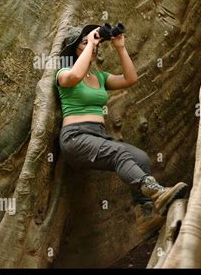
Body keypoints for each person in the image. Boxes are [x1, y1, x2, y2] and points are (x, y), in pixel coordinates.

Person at [55, 24, 188, 215]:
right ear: (73, 49)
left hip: (99, 137)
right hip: (76, 138)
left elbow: (130, 79)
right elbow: (76, 75)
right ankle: (156, 192)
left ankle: (146, 213)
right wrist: (92, 41)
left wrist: (120, 47)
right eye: (84, 43)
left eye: (94, 44)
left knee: (140, 158)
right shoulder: (64, 74)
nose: (93, 47)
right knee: (119, 152)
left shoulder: (99, 77)